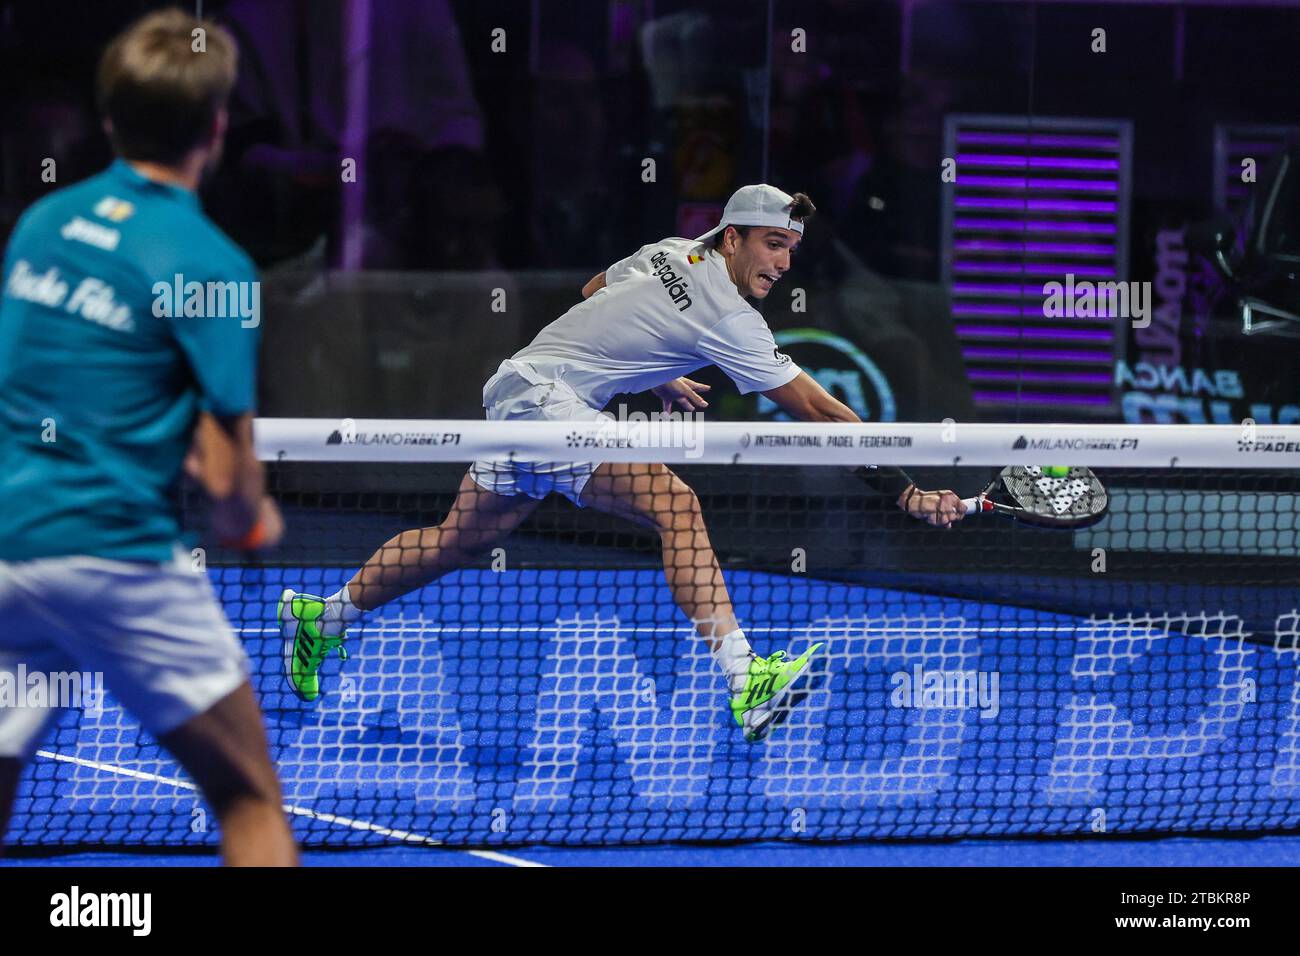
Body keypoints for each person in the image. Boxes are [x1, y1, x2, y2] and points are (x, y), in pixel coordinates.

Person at [281, 184, 966, 742]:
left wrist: (655, 364)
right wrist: (903, 491)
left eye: (792, 248)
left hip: (521, 385)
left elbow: (595, 290)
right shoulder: (730, 319)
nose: (784, 262)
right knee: (676, 505)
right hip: (548, 402)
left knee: (460, 540)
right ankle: (745, 676)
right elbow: (820, 413)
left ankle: (322, 619)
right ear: (732, 237)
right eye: (773, 243)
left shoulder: (673, 251)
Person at [0, 9, 296, 865]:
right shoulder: (216, 268)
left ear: (108, 120)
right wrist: (250, 524)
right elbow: (228, 479)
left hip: (11, 553)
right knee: (248, 799)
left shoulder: (40, 227)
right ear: (216, 126)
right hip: (117, 557)